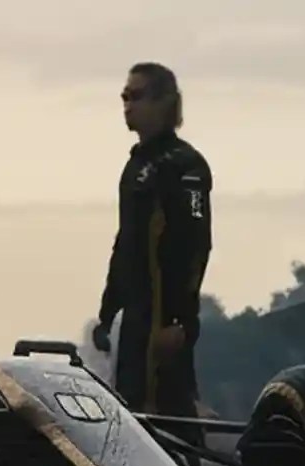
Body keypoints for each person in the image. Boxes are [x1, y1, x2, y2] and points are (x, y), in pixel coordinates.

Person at [93, 62, 212, 431]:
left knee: (170, 414)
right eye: (124, 97)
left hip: (166, 316)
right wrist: (108, 311)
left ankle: (191, 463)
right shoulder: (135, 167)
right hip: (133, 318)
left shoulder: (187, 166)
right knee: (130, 412)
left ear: (164, 102)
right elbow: (125, 241)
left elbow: (196, 245)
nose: (128, 105)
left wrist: (181, 321)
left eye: (137, 96)